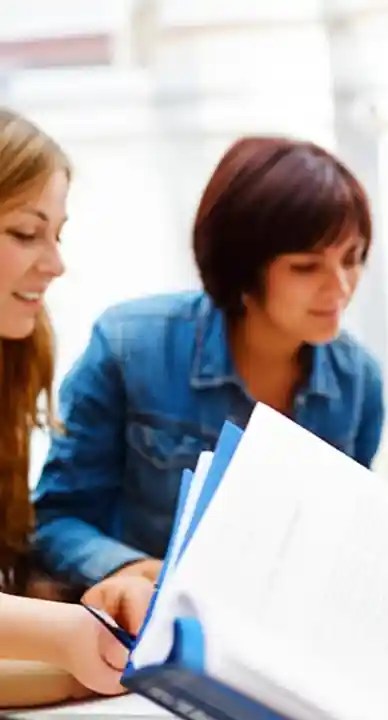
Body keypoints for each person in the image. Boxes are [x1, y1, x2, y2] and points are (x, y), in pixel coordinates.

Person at [33, 136, 386, 589]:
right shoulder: (131, 346)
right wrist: (131, 571)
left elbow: (343, 538)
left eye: (352, 259)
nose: (340, 287)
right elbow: (58, 519)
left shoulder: (359, 383)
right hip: (143, 629)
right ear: (243, 265)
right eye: (306, 266)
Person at [0, 107, 156, 698]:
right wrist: (69, 640)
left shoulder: (15, 355)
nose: (56, 264)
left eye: (57, 234)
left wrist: (100, 595)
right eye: (25, 232)